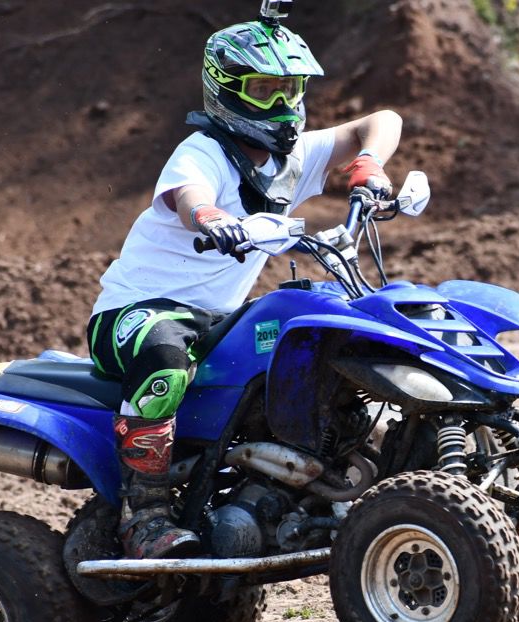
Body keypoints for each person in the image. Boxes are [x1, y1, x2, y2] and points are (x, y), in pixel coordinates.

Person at [86, 11, 402, 561]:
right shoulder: (202, 152)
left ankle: (324, 482)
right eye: (263, 89)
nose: (281, 103)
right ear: (226, 89)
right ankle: (145, 515)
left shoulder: (291, 158)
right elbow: (189, 197)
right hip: (136, 314)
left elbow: (381, 119)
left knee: (316, 335)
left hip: (218, 321)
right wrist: (212, 218)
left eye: (291, 89)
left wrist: (368, 164)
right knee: (165, 359)